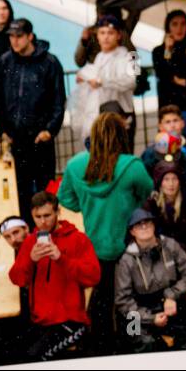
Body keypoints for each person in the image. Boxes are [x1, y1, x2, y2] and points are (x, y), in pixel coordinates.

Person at [56, 112, 153, 343]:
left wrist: (88, 205)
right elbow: (147, 193)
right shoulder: (132, 166)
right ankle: (132, 339)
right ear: (122, 136)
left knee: (101, 298)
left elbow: (64, 198)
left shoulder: (76, 165)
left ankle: (100, 345)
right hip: (127, 245)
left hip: (95, 246)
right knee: (132, 298)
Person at [9, 191, 101, 360]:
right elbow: (17, 279)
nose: (43, 222)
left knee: (33, 358)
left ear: (58, 212)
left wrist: (61, 259)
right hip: (40, 320)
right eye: (37, 217)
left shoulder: (78, 240)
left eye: (47, 215)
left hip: (70, 321)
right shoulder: (31, 242)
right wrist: (31, 259)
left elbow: (94, 276)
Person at [0, 18, 66, 218]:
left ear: (30, 37)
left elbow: (59, 100)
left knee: (45, 191)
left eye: (19, 37)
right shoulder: (5, 61)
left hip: (40, 138)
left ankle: (50, 230)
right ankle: (26, 230)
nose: (14, 41)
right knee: (20, 189)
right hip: (15, 138)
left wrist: (49, 130)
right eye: (11, 37)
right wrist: (2, 131)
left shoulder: (49, 63)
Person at [114, 208, 186, 352]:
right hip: (135, 313)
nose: (144, 227)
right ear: (132, 231)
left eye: (147, 222)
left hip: (166, 304)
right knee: (142, 342)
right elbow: (123, 301)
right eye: (138, 225)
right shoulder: (126, 260)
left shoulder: (170, 245)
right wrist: (150, 318)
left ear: (154, 225)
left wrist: (172, 295)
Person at [71, 15, 137, 140]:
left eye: (110, 33)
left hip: (120, 116)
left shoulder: (128, 56)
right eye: (102, 33)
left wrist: (102, 82)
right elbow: (92, 73)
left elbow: (131, 82)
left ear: (118, 35)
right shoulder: (99, 56)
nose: (106, 37)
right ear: (97, 36)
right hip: (101, 116)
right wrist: (84, 77)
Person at [152, 9, 186, 129]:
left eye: (183, 24)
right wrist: (168, 50)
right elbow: (163, 75)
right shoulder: (159, 52)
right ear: (168, 28)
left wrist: (185, 82)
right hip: (171, 113)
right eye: (174, 24)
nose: (179, 28)